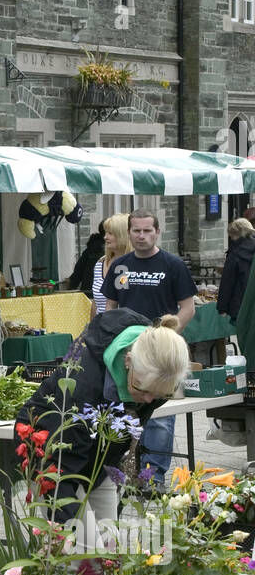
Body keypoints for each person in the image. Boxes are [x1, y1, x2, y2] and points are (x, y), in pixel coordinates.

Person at [15, 310, 190, 552]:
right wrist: (63, 526)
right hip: (53, 459)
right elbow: (61, 468)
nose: (148, 399)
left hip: (99, 460)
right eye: (143, 389)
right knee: (83, 552)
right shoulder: (82, 385)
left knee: (110, 549)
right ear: (127, 361)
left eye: (159, 394)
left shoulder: (157, 363)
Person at [100, 208, 196, 486]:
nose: (141, 236)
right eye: (136, 231)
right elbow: (110, 307)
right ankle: (120, 475)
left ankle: (155, 479)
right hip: (128, 354)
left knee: (160, 417)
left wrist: (167, 337)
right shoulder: (121, 266)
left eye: (147, 231)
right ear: (129, 232)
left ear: (157, 232)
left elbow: (188, 308)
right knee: (121, 412)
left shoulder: (173, 265)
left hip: (161, 354)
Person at [89, 213, 130, 319]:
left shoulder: (132, 265)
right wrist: (91, 328)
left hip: (124, 328)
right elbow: (95, 303)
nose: (105, 237)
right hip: (102, 328)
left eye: (111, 233)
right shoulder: (100, 263)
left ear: (123, 235)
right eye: (106, 233)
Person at [217, 218, 255, 326]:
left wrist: (222, 308)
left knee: (245, 337)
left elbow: (227, 282)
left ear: (234, 235)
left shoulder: (236, 254)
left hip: (241, 303)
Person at [67, 221, 105, 298]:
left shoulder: (90, 249)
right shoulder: (99, 250)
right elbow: (79, 270)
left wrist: (72, 287)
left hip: (88, 292)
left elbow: (78, 270)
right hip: (96, 293)